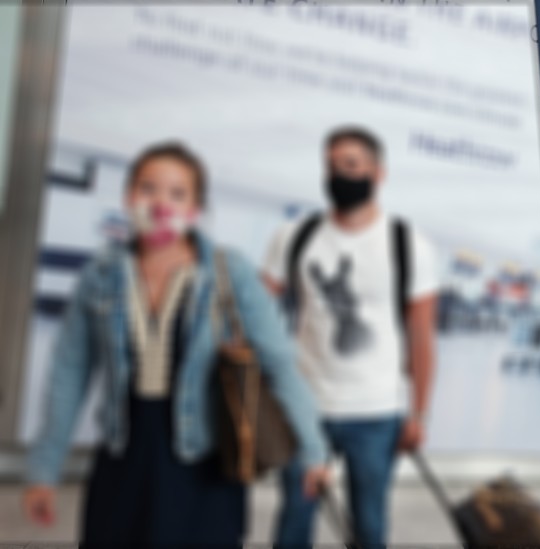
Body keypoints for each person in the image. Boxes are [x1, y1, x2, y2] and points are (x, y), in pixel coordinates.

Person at [21, 142, 332, 548]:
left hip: (205, 464)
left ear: (196, 208)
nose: (160, 203)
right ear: (128, 196)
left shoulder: (229, 270)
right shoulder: (99, 275)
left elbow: (280, 363)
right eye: (148, 188)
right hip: (124, 459)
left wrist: (314, 450)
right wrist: (44, 469)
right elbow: (69, 372)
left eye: (177, 193)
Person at [264, 127, 438, 549]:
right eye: (331, 165)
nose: (339, 175)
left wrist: (418, 412)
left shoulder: (407, 244)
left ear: (379, 173)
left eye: (351, 165)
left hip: (376, 413)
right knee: (293, 523)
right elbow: (258, 314)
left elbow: (421, 336)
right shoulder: (295, 236)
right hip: (305, 408)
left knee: (369, 526)